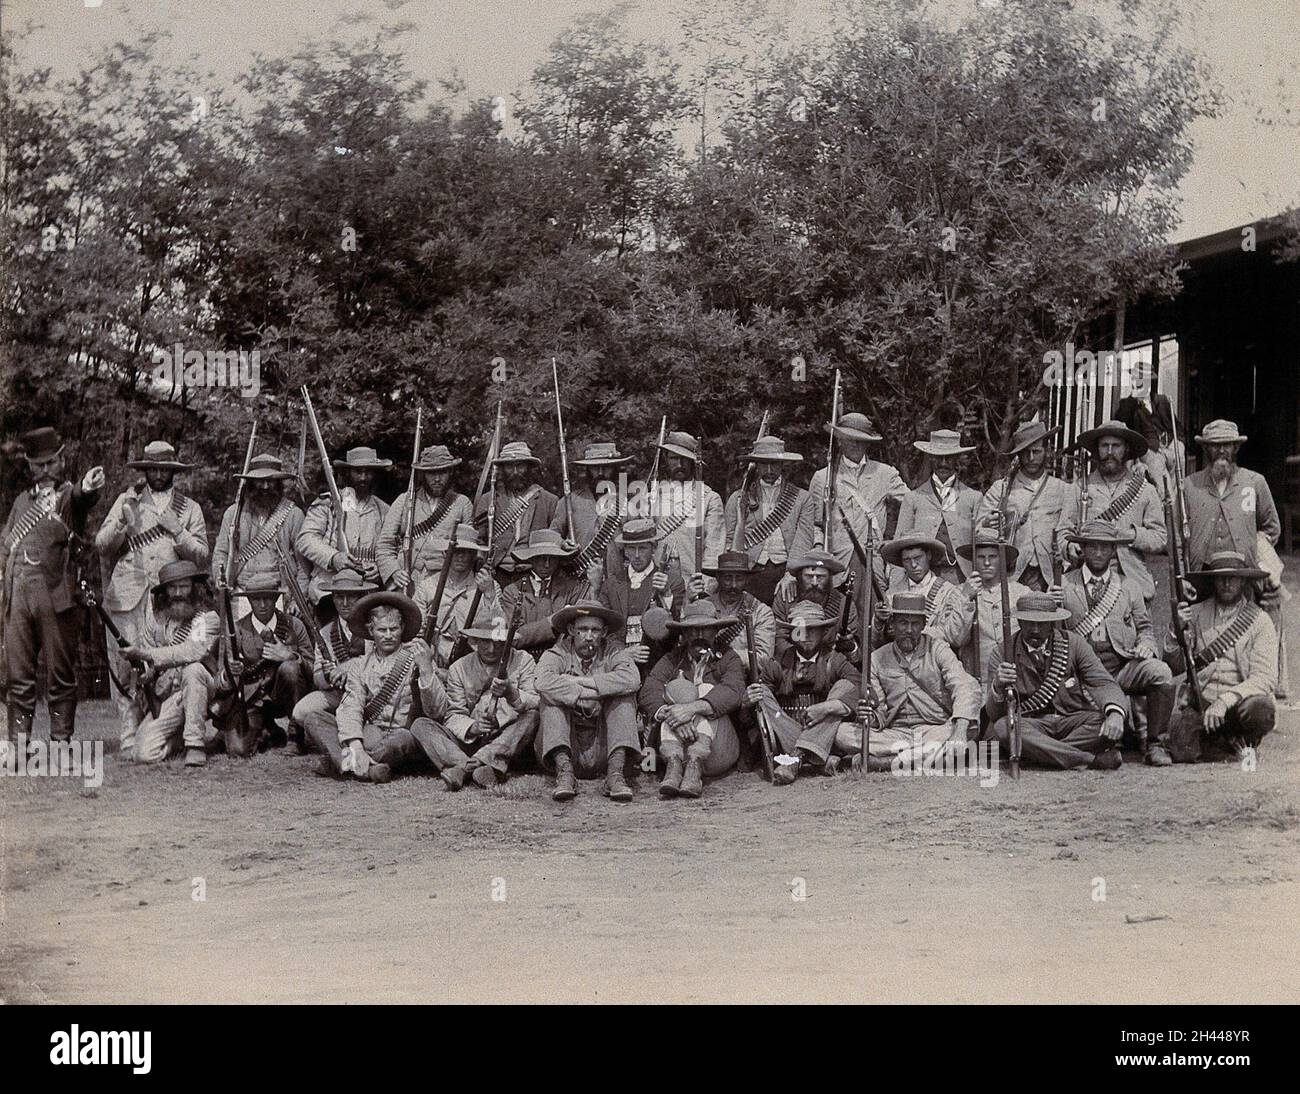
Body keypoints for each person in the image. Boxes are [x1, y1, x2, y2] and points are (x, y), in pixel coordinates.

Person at [94, 439, 208, 754]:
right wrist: (123, 525)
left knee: (167, 666)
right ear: (144, 470)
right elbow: (102, 545)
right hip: (128, 595)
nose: (157, 474)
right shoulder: (126, 501)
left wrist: (178, 532)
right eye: (152, 468)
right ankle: (129, 736)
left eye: (164, 468)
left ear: (174, 471)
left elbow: (202, 556)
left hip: (169, 601)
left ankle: (166, 729)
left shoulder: (190, 508)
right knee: (125, 666)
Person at [0, 426, 104, 747]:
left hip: (55, 594)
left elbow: (82, 498)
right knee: (18, 676)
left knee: (60, 674)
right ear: (29, 466)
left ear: (62, 461)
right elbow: (6, 545)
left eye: (51, 464)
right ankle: (19, 745)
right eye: (37, 465)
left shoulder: (67, 497)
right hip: (17, 597)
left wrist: (87, 486)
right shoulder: (20, 502)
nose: (44, 471)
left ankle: (60, 742)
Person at [1183, 419, 1287, 698]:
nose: (1220, 452)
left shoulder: (1254, 483)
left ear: (1235, 448)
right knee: (1204, 636)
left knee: (1247, 636)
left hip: (1242, 577)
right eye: (1214, 446)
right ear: (1205, 449)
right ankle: (1203, 694)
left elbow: (1271, 527)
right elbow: (1179, 536)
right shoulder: (1189, 486)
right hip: (1203, 576)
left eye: (1226, 445)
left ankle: (1253, 693)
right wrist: (1184, 574)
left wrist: (1261, 560)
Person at [300, 591, 449, 782]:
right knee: (315, 719)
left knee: (403, 738)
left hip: (403, 739)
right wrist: (356, 745)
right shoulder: (360, 665)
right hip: (370, 734)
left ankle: (344, 764)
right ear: (371, 631)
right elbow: (351, 707)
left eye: (393, 629)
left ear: (402, 628)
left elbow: (437, 711)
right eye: (381, 630)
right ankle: (369, 768)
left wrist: (427, 669)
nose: (388, 635)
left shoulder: (418, 658)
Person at [1060, 520, 1174, 766]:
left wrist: (1146, 646)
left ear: (1114, 551)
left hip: (1122, 667)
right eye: (1093, 547)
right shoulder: (1065, 585)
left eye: (1105, 547)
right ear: (1083, 549)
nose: (1099, 553)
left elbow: (1145, 628)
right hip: (1084, 677)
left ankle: (1156, 744)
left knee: (1161, 673)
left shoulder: (1129, 586)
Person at [986, 592, 1128, 771]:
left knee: (1105, 721)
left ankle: (1038, 754)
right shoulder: (1003, 652)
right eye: (1030, 623)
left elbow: (1102, 682)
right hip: (1032, 723)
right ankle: (1089, 760)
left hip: (1071, 720)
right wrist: (998, 686)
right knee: (1004, 728)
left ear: (1052, 622)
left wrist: (1115, 713)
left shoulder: (1073, 643)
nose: (1036, 630)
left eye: (1042, 623)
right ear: (1020, 622)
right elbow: (994, 714)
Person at [1165, 551, 1277, 763]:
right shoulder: (1194, 614)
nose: (1227, 583)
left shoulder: (1260, 621)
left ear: (1243, 580)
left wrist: (1225, 701)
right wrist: (1175, 631)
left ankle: (1242, 740)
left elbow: (1264, 678)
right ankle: (1227, 745)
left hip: (1239, 704)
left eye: (1233, 578)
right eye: (1221, 577)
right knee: (1181, 750)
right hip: (1202, 702)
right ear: (1213, 580)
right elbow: (1175, 666)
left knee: (1261, 709)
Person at [1060, 420, 1166, 633]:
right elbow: (1064, 531)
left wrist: (1131, 535)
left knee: (1138, 643)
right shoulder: (1080, 487)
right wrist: (1070, 548)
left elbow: (1160, 538)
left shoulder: (1145, 490)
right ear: (1097, 450)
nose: (1109, 452)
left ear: (1126, 449)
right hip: (1087, 580)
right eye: (1104, 446)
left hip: (1131, 582)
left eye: (1115, 446)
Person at [858, 592, 980, 769]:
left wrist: (959, 732)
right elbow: (880, 711)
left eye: (915, 623)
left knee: (967, 728)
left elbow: (963, 686)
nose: (909, 630)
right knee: (844, 734)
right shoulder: (876, 659)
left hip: (935, 729)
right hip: (896, 733)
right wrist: (871, 717)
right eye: (902, 623)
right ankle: (926, 757)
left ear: (923, 625)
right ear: (892, 624)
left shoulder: (938, 649)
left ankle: (887, 762)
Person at [534, 599, 641, 802]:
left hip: (605, 745)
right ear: (572, 629)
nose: (589, 637)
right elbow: (542, 682)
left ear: (604, 632)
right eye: (583, 629)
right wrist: (602, 689)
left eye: (595, 630)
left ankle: (615, 775)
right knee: (551, 699)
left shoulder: (613, 651)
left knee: (624, 697)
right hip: (566, 744)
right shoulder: (557, 653)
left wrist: (580, 682)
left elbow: (632, 679)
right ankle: (565, 774)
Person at [745, 600, 861, 784]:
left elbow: (864, 690)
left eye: (812, 629)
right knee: (761, 693)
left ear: (823, 632)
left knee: (845, 687)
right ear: (791, 634)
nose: (805, 634)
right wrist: (749, 700)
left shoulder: (836, 660)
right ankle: (814, 758)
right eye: (799, 629)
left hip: (826, 734)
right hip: (786, 731)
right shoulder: (777, 662)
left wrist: (828, 708)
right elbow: (753, 714)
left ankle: (796, 758)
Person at [641, 600, 747, 800]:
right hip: (676, 745)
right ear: (684, 634)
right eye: (692, 630)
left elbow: (734, 690)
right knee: (673, 697)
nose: (699, 636)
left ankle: (695, 764)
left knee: (706, 690)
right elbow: (649, 689)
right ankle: (674, 768)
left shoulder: (728, 657)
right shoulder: (673, 658)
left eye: (706, 630)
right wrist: (671, 714)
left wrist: (691, 709)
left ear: (715, 631)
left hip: (717, 750)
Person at [122, 561, 221, 766]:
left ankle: (195, 746)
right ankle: (179, 742)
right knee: (142, 753)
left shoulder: (207, 618)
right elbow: (150, 668)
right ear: (164, 591)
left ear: (195, 588)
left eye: (184, 586)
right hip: (169, 695)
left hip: (201, 689)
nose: (178, 593)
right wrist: (143, 674)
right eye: (172, 587)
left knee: (193, 670)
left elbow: (193, 651)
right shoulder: (156, 622)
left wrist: (146, 654)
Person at [427, 616, 540, 790]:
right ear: (475, 641)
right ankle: (477, 764)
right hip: (469, 740)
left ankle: (466, 768)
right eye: (485, 642)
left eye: (499, 643)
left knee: (533, 716)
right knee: (421, 726)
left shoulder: (523, 660)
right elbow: (453, 714)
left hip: (506, 737)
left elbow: (534, 700)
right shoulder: (459, 668)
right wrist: (473, 727)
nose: (492, 649)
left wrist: (511, 695)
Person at [807, 412, 906, 599]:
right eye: (849, 439)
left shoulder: (885, 473)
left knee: (872, 619)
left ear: (868, 443)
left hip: (872, 560)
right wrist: (819, 547)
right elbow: (814, 523)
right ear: (839, 440)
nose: (855, 444)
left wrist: (896, 543)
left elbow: (912, 505)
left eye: (860, 440)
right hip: (835, 562)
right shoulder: (823, 477)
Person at [215, 572, 313, 754]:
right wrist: (231, 672)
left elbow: (313, 669)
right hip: (253, 698)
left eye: (267, 598)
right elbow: (220, 678)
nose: (262, 604)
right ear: (249, 601)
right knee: (238, 751)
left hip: (286, 695)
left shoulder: (294, 625)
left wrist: (290, 656)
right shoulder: (237, 629)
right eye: (256, 599)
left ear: (276, 599)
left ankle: (295, 736)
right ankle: (269, 731)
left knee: (289, 668)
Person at [978, 420, 1078, 592]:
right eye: (1026, 453)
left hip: (1051, 576)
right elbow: (978, 532)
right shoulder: (1001, 488)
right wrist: (988, 524)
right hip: (1012, 575)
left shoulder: (1064, 490)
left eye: (1036, 451)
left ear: (1047, 451)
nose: (1031, 458)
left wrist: (1069, 550)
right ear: (1018, 454)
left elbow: (1067, 532)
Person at [289, 568, 376, 750]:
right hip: (339, 694)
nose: (345, 603)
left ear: (362, 596)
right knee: (300, 711)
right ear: (333, 598)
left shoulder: (375, 627)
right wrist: (328, 676)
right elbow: (317, 677)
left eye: (351, 597)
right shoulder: (325, 633)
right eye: (339, 597)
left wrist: (347, 667)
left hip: (372, 693)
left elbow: (381, 662)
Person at [723, 435, 816, 604]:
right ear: (756, 465)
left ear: (783, 464)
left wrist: (791, 574)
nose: (769, 470)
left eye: (774, 463)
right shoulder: (738, 498)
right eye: (763, 464)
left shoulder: (802, 498)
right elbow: (730, 542)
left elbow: (803, 540)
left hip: (787, 572)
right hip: (750, 573)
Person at [210, 452, 306, 607]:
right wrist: (222, 582)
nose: (265, 487)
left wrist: (297, 600)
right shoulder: (233, 514)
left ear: (279, 483)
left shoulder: (293, 514)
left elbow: (303, 565)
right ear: (250, 483)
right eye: (260, 482)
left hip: (280, 594)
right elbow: (221, 554)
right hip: (241, 594)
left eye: (270, 481)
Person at [297, 445, 390, 604]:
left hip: (367, 594)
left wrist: (381, 569)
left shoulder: (384, 510)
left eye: (368, 472)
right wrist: (333, 557)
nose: (363, 477)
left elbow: (393, 548)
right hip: (328, 591)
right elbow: (306, 539)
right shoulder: (328, 504)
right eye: (358, 472)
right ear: (347, 473)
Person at [377, 444, 472, 593]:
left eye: (442, 472)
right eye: (431, 473)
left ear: (451, 473)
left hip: (445, 584)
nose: (437, 479)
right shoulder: (405, 501)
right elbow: (384, 545)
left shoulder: (461, 503)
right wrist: (394, 571)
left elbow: (468, 550)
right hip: (409, 581)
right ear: (422, 475)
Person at [597, 518, 683, 675]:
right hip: (620, 668)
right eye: (631, 548)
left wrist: (666, 594)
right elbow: (604, 630)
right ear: (625, 550)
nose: (636, 555)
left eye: (642, 548)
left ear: (654, 548)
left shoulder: (672, 582)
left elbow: (677, 629)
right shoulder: (611, 584)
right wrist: (623, 654)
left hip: (658, 667)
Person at [894, 429, 980, 585]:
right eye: (938, 458)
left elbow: (981, 546)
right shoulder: (913, 498)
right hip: (924, 579)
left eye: (949, 458)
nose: (943, 463)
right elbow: (901, 544)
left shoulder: (972, 498)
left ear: (958, 459)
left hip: (962, 578)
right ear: (930, 458)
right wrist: (896, 586)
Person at [412, 522, 503, 667]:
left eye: (466, 552)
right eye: (456, 551)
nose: (460, 556)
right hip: (432, 662)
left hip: (474, 664)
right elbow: (416, 633)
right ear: (445, 553)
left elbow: (499, 630)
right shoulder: (427, 586)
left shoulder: (489, 586)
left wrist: (489, 594)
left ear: (474, 555)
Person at [954, 528, 1033, 688]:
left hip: (1017, 680)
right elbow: (957, 639)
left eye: (993, 557)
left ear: (1003, 559)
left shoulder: (1021, 592)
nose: (987, 563)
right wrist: (966, 598)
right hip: (977, 682)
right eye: (981, 557)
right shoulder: (960, 592)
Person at [472, 441, 560, 582]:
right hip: (497, 573)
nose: (515, 472)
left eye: (520, 466)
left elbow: (555, 542)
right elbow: (478, 540)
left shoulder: (549, 501)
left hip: (534, 574)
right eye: (509, 466)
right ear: (502, 469)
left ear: (529, 467)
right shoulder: (489, 500)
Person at [649, 431, 726, 586]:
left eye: (685, 460)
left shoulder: (709, 498)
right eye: (674, 458)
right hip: (658, 578)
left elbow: (714, 548)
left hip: (693, 580)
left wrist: (705, 583)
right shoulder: (653, 496)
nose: (679, 465)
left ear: (693, 463)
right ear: (665, 459)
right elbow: (645, 543)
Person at [498, 529, 589, 657]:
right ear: (532, 559)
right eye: (542, 558)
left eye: (552, 559)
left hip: (561, 659)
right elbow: (514, 637)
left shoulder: (571, 588)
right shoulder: (512, 591)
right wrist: (552, 621)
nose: (547, 564)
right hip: (521, 661)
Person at [879, 534, 967, 648]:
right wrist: (879, 623)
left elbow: (950, 634)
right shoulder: (891, 594)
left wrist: (907, 632)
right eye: (907, 560)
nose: (913, 565)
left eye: (917, 558)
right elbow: (878, 642)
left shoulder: (948, 591)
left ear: (928, 555)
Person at [772, 548, 860, 658]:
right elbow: (778, 640)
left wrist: (849, 647)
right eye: (808, 576)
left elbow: (857, 653)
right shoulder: (785, 598)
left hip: (829, 665)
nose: (814, 583)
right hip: (792, 665)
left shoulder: (844, 604)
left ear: (830, 578)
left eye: (820, 577)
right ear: (799, 577)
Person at [564, 442, 633, 580]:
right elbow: (553, 534)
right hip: (579, 578)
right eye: (595, 468)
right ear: (588, 470)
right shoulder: (569, 501)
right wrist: (562, 544)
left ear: (614, 469)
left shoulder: (626, 504)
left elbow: (636, 544)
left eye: (606, 467)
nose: (600, 473)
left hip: (615, 580)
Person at [694, 550, 775, 663]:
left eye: (739, 578)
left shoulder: (761, 612)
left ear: (747, 580)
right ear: (718, 577)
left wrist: (720, 657)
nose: (733, 585)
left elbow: (763, 657)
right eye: (727, 578)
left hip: (743, 676)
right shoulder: (704, 607)